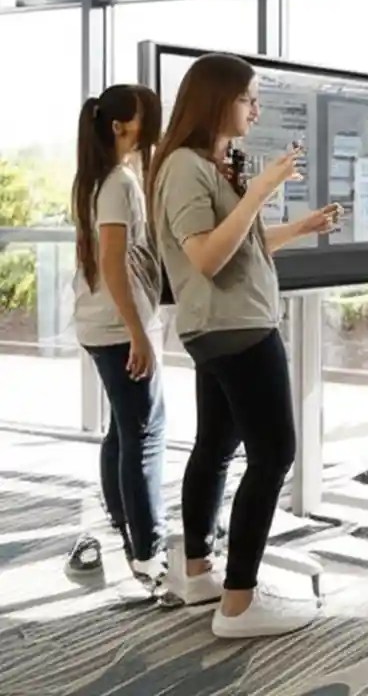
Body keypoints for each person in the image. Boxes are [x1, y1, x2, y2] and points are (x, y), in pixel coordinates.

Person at [148, 53, 342, 638]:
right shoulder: (184, 167)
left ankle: (200, 573)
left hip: (226, 326)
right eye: (248, 99)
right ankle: (238, 603)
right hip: (238, 329)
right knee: (274, 453)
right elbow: (206, 257)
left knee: (216, 445)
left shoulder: (204, 165)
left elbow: (241, 247)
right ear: (215, 101)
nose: (256, 110)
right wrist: (259, 190)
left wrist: (301, 227)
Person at [64, 84, 167, 590]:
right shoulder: (117, 183)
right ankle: (147, 552)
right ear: (118, 125)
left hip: (99, 322)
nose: (153, 123)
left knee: (124, 432)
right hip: (116, 326)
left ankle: (126, 528)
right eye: (145, 116)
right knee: (144, 434)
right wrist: (137, 333)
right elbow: (112, 261)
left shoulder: (95, 179)